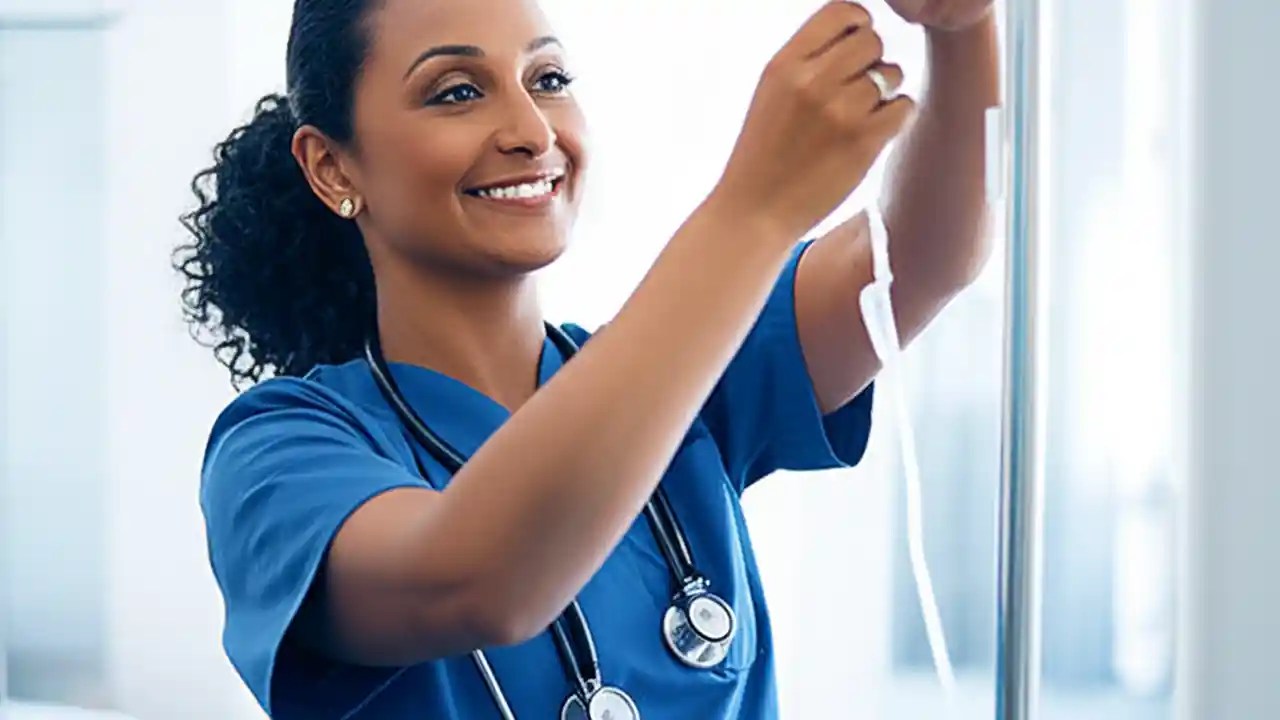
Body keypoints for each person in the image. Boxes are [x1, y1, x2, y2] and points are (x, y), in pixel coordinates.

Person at [175, 0, 997, 717]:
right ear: (331, 165)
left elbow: (925, 258)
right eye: (457, 91)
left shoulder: (667, 378)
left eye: (549, 80)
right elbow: (483, 581)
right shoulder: (277, 455)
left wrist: (963, 32)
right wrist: (753, 208)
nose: (531, 132)